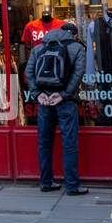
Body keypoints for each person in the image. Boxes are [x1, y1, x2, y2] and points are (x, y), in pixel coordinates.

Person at [26, 24, 88, 195]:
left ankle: (46, 182)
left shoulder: (39, 48)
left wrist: (38, 94)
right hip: (66, 102)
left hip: (44, 101)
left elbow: (29, 72)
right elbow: (78, 74)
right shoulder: (77, 48)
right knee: (69, 143)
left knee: (44, 143)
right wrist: (63, 94)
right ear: (74, 35)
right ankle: (72, 185)